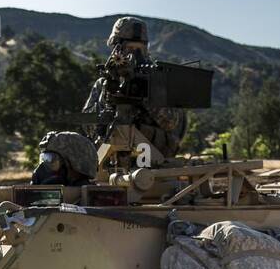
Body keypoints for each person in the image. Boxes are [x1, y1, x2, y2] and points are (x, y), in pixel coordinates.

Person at [82, 16, 187, 163]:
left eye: (139, 49)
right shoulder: (103, 84)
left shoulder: (159, 80)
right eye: (129, 48)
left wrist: (146, 94)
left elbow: (172, 123)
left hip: (153, 160)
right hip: (109, 160)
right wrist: (107, 98)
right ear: (116, 49)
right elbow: (88, 126)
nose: (134, 55)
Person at [29, 131, 98, 187]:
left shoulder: (96, 200)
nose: (38, 170)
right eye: (44, 158)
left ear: (75, 166)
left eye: (51, 160)